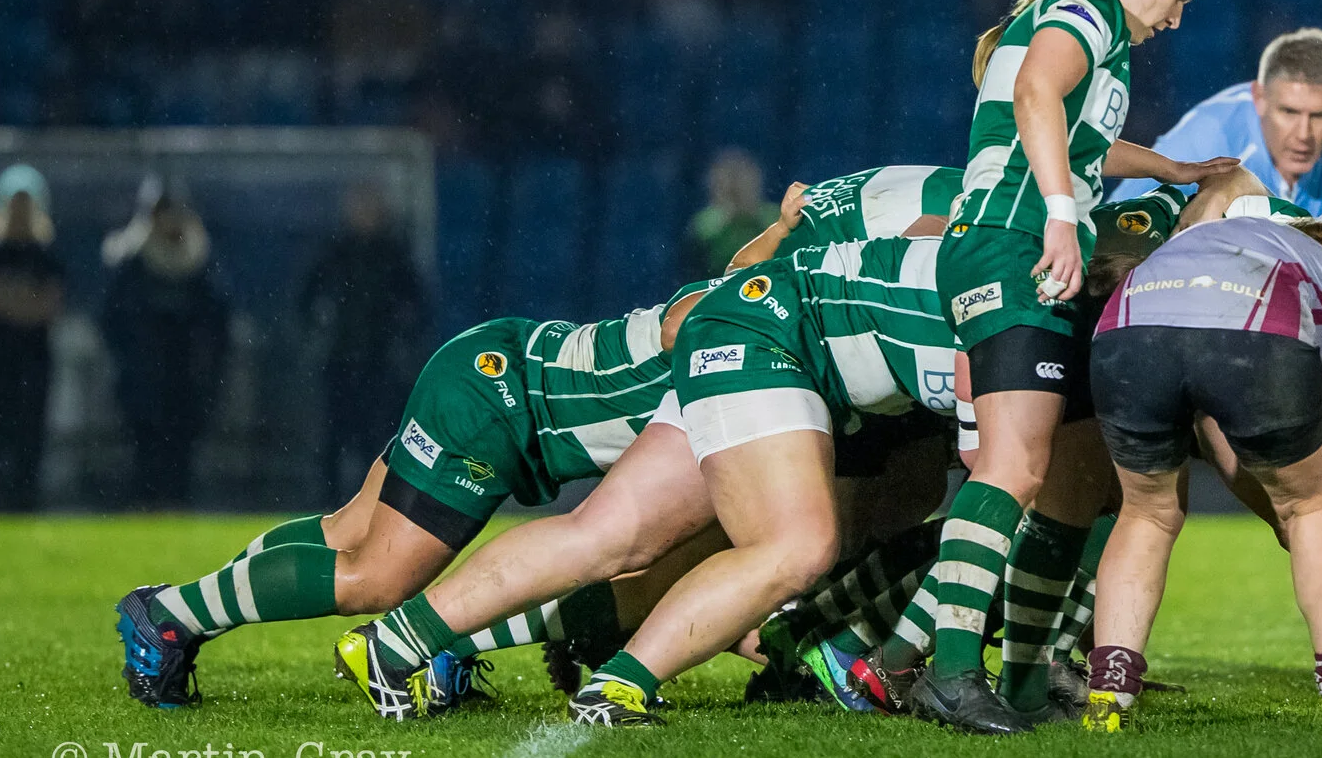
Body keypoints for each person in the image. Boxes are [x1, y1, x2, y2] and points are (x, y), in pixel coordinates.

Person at [331, 165, 965, 721]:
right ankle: (643, 677)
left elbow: (746, 281)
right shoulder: (976, 221)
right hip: (771, 353)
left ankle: (394, 646)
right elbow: (735, 284)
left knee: (617, 538)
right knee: (793, 546)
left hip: (763, 349)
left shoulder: (959, 200)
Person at [848, 0, 1237, 733]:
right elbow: (1035, 91)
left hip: (1006, 241)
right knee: (1014, 468)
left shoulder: (1086, 19)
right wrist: (1063, 214)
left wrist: (1167, 169)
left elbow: (1073, 128)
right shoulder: (1087, 6)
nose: (1177, 19)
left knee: (1017, 466)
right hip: (1010, 243)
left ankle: (932, 663)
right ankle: (945, 672)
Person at [116, 274, 697, 711]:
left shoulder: (767, 302)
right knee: (378, 578)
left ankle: (187, 615)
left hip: (496, 371)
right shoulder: (757, 326)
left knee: (346, 534)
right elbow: (682, 325)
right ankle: (168, 616)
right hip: (497, 402)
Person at [1081, 212, 1322, 733]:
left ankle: (1107, 699)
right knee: (1315, 507)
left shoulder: (1218, 242)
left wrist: (1273, 511)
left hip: (1125, 328)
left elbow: (1218, 438)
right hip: (1255, 336)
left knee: (1147, 514)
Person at [1116, 27, 1322, 214]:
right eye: (1289, 112)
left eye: (1320, 115)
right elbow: (1115, 218)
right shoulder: (1205, 136)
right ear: (1259, 98)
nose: (1303, 135)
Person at [101, 177, 229, 510]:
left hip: (186, 376)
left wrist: (209, 369)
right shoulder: (132, 262)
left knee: (181, 453)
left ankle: (177, 506)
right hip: (142, 378)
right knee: (145, 450)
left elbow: (217, 323)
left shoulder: (201, 264)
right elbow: (112, 320)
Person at [300, 181, 429, 495]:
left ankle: (373, 500)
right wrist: (316, 331)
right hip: (340, 357)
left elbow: (419, 304)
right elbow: (306, 296)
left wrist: (403, 338)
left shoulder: (393, 254)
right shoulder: (336, 250)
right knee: (334, 433)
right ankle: (327, 501)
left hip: (379, 360)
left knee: (376, 436)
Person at [0, 165, 64, 512]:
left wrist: (5, 300)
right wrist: (21, 301)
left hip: (32, 362)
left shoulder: (47, 260)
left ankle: (23, 504)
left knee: (29, 438)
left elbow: (45, 307)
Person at [684, 149, 778, 282]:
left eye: (742, 179)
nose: (736, 187)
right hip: (717, 294)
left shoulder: (775, 219)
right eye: (728, 181)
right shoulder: (704, 227)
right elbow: (693, 276)